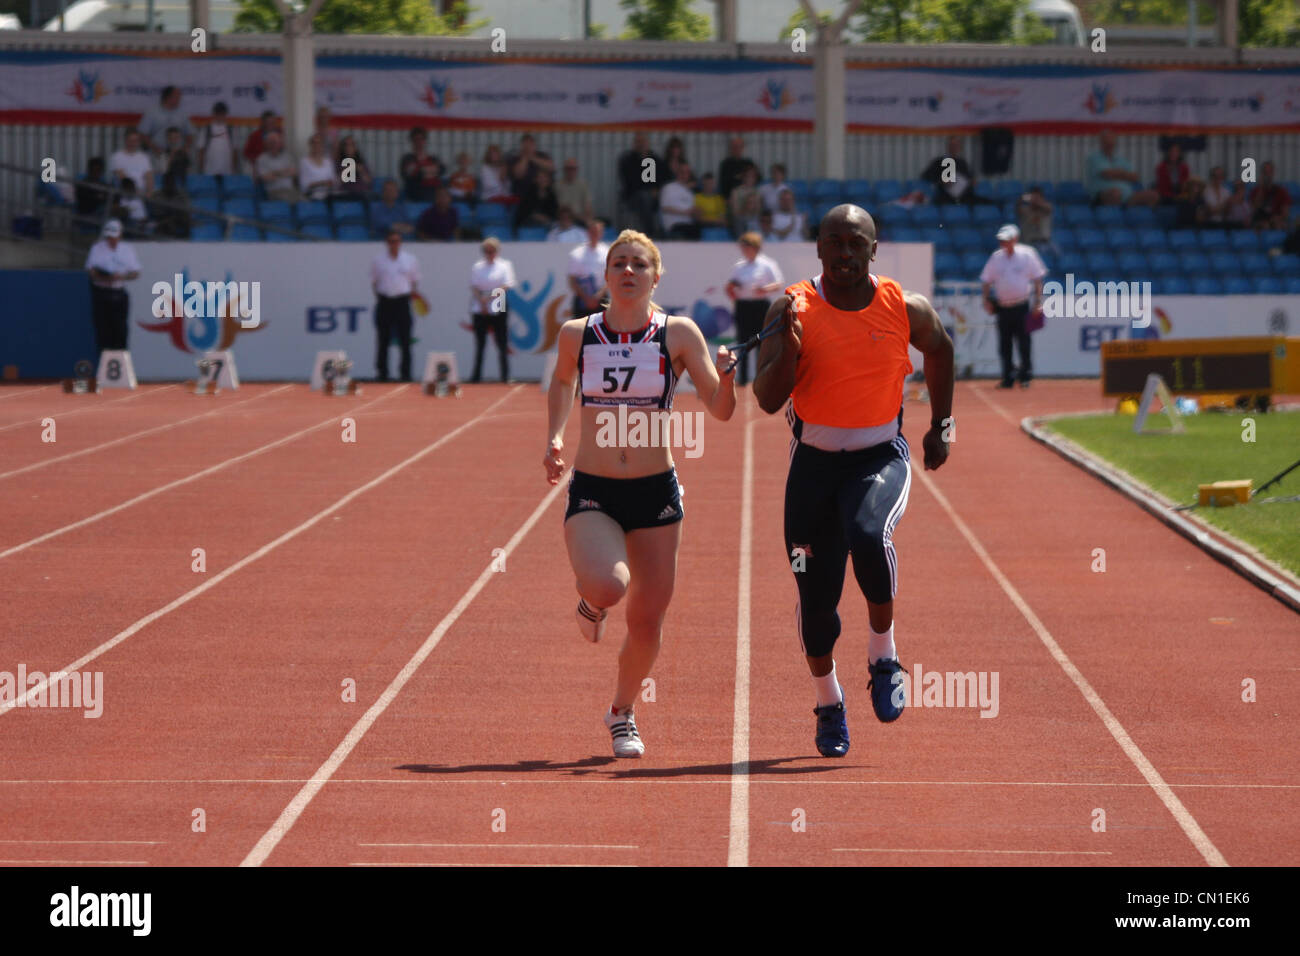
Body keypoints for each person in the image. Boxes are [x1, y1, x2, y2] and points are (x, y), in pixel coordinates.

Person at [751, 203, 954, 759]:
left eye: (855, 244)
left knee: (869, 535)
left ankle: (884, 655)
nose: (844, 254)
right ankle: (828, 703)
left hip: (879, 458)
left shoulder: (903, 307)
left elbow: (940, 349)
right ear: (818, 247)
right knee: (817, 608)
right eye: (834, 243)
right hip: (813, 468)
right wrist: (789, 351)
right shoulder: (789, 308)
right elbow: (767, 400)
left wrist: (942, 425)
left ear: (873, 248)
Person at [543, 230, 738, 757]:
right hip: (595, 489)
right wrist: (556, 436)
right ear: (606, 276)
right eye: (619, 263)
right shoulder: (577, 334)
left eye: (639, 264)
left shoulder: (678, 334)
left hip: (656, 493)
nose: (628, 272)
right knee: (609, 586)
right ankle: (591, 601)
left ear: (656, 276)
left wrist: (726, 377)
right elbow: (562, 382)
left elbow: (719, 409)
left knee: (647, 622)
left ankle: (621, 712)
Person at [980, 224, 1046, 390]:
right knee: (1004, 344)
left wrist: (1038, 302)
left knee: (1024, 343)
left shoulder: (1027, 254)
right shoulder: (996, 257)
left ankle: (1025, 376)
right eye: (1002, 240)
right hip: (1003, 307)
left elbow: (1038, 279)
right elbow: (986, 280)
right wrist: (986, 300)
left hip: (1021, 305)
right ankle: (1007, 377)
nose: (1003, 242)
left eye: (1007, 239)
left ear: (1015, 239)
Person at [725, 232, 783, 386]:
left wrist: (764, 289)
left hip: (760, 306)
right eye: (743, 247)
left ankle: (761, 377)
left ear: (755, 248)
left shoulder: (767, 264)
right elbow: (730, 285)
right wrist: (731, 289)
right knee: (743, 341)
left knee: (761, 342)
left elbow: (778, 283)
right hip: (743, 305)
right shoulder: (739, 266)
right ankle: (742, 379)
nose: (744, 250)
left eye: (747, 247)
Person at [369, 227, 421, 383]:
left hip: (402, 301)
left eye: (397, 241)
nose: (394, 244)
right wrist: (380, 296)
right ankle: (382, 372)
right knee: (382, 339)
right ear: (386, 243)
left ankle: (406, 373)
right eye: (391, 241)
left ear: (401, 242)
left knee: (405, 339)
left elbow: (414, 281)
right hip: (384, 301)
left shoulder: (410, 259)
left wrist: (408, 296)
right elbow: (374, 282)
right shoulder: (378, 260)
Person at [84, 219, 141, 359]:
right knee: (103, 330)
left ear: (119, 235)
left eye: (114, 236)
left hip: (118, 292)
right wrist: (105, 277)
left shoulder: (127, 250)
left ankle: (121, 363)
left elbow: (135, 272)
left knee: (120, 330)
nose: (111, 240)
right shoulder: (97, 248)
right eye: (109, 236)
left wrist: (121, 277)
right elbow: (91, 270)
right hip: (101, 292)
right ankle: (105, 364)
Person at [468, 237, 516, 383]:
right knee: (480, 343)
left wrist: (490, 297)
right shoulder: (477, 267)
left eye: (492, 250)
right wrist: (482, 301)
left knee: (502, 341)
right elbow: (474, 286)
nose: (490, 253)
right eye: (487, 251)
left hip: (497, 299)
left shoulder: (504, 265)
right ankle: (476, 376)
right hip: (481, 301)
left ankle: (505, 376)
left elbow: (507, 284)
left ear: (497, 251)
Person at [1085, 130, 1160, 207]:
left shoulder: (1121, 159)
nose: (1109, 143)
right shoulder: (1094, 158)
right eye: (1106, 141)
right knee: (1115, 194)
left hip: (1127, 197)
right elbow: (1107, 174)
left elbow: (1135, 177)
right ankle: (1115, 216)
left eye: (1111, 141)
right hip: (1102, 197)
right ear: (1101, 142)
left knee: (1153, 195)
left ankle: (1135, 216)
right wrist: (1124, 174)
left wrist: (1117, 174)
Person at [617, 132, 661, 236]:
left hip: (654, 198)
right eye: (638, 142)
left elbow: (661, 177)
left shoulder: (653, 159)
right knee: (644, 197)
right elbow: (630, 182)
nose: (641, 144)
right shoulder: (628, 160)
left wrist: (657, 189)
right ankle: (650, 232)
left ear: (647, 143)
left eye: (643, 142)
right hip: (633, 197)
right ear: (634, 144)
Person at [568, 218, 609, 319]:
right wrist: (586, 298)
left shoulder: (607, 252)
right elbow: (572, 280)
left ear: (601, 233)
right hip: (582, 298)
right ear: (588, 232)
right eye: (592, 231)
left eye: (597, 231)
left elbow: (611, 277)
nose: (594, 234)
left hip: (601, 297)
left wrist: (599, 296)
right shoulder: (577, 254)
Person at [920, 135, 977, 206]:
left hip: (963, 197)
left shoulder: (963, 163)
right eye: (952, 145)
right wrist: (941, 180)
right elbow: (925, 175)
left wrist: (972, 181)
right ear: (948, 146)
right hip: (945, 197)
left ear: (960, 147)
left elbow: (970, 178)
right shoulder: (939, 162)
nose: (954, 147)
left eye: (956, 145)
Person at [138, 85, 192, 160]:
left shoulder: (182, 114)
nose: (179, 99)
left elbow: (189, 134)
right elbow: (143, 134)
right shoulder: (152, 112)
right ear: (168, 97)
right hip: (157, 155)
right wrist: (155, 149)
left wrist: (185, 149)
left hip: (177, 156)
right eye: (177, 97)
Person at [400, 127, 443, 202]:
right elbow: (408, 176)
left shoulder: (433, 159)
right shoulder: (407, 159)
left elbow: (442, 170)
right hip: (415, 196)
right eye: (416, 139)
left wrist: (422, 171)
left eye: (421, 139)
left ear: (425, 141)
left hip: (434, 194)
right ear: (412, 141)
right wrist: (431, 171)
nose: (419, 142)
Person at [658, 162, 700, 239]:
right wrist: (685, 212)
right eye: (682, 172)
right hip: (674, 225)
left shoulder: (689, 192)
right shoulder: (669, 188)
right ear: (677, 173)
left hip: (689, 224)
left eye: (687, 172)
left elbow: (692, 213)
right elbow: (664, 208)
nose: (684, 175)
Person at [255, 130, 299, 203]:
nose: (273, 145)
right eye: (271, 142)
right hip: (274, 192)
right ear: (266, 144)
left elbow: (294, 172)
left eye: (275, 142)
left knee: (307, 204)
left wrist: (274, 173)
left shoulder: (287, 156)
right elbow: (266, 178)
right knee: (293, 202)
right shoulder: (262, 159)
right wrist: (285, 172)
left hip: (290, 190)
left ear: (279, 143)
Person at [196, 102, 238, 178]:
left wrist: (234, 169)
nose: (220, 116)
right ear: (214, 114)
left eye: (222, 113)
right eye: (218, 113)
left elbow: (234, 151)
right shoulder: (206, 129)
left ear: (225, 114)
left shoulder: (231, 129)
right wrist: (202, 168)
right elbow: (201, 150)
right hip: (209, 171)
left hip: (227, 171)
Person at [109, 130, 154, 197]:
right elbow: (122, 177)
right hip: (124, 195)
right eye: (130, 140)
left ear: (139, 142)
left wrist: (149, 193)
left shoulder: (144, 158)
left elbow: (149, 177)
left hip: (143, 197)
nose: (132, 143)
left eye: (135, 141)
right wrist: (136, 192)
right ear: (125, 141)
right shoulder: (116, 157)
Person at [1015, 185, 1056, 257]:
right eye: (1033, 197)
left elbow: (1048, 208)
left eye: (1038, 197)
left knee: (1059, 254)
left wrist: (1037, 201)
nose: (1035, 199)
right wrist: (1021, 199)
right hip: (1029, 243)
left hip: (1045, 242)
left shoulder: (1046, 208)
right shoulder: (1025, 209)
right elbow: (1017, 209)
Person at [1250, 161, 1291, 230]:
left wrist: (1277, 218)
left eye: (1269, 172)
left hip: (1275, 220)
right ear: (1262, 174)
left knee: (1280, 225)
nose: (1267, 175)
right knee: (1264, 226)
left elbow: (1286, 213)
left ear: (1273, 173)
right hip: (1260, 221)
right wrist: (1261, 188)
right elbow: (1253, 210)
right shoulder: (1255, 191)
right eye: (1265, 173)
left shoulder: (1281, 191)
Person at [298, 133, 337, 201]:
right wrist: (322, 183)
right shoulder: (304, 162)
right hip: (312, 196)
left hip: (329, 195)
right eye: (314, 143)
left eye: (319, 143)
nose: (317, 146)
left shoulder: (328, 161)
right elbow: (303, 186)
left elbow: (333, 181)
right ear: (310, 145)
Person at [554, 158, 594, 224]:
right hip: (563, 220)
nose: (571, 171)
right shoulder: (556, 186)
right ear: (564, 170)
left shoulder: (583, 185)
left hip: (580, 220)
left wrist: (589, 220)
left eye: (573, 168)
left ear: (577, 170)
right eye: (568, 168)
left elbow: (588, 206)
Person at [729, 164, 762, 237]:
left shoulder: (757, 192)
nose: (750, 178)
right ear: (743, 177)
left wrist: (753, 209)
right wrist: (746, 208)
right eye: (748, 176)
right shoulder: (736, 191)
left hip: (753, 218)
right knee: (739, 220)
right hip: (740, 218)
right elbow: (735, 212)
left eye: (752, 176)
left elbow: (759, 211)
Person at [717, 135, 754, 200]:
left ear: (743, 148)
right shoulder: (726, 164)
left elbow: (757, 178)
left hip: (749, 197)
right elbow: (723, 183)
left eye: (739, 147)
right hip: (731, 198)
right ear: (731, 148)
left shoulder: (749, 163)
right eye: (734, 147)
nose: (737, 149)